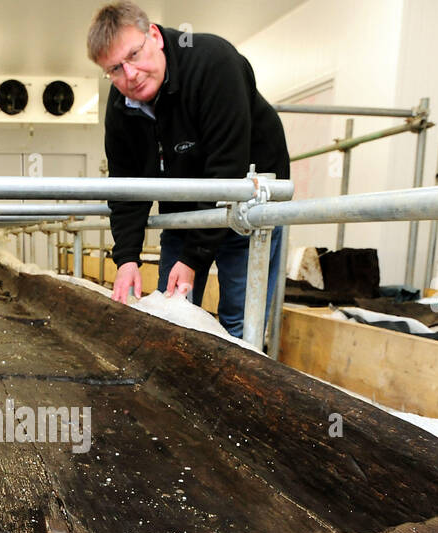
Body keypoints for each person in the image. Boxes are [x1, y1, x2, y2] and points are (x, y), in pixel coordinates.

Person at [86, 1, 290, 341]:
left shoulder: (213, 63)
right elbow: (126, 186)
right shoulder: (122, 106)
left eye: (134, 55)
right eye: (115, 69)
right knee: (172, 320)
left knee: (237, 326)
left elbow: (226, 170)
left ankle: (232, 390)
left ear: (154, 35)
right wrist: (126, 259)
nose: (129, 75)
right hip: (185, 211)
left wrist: (193, 259)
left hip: (246, 205)